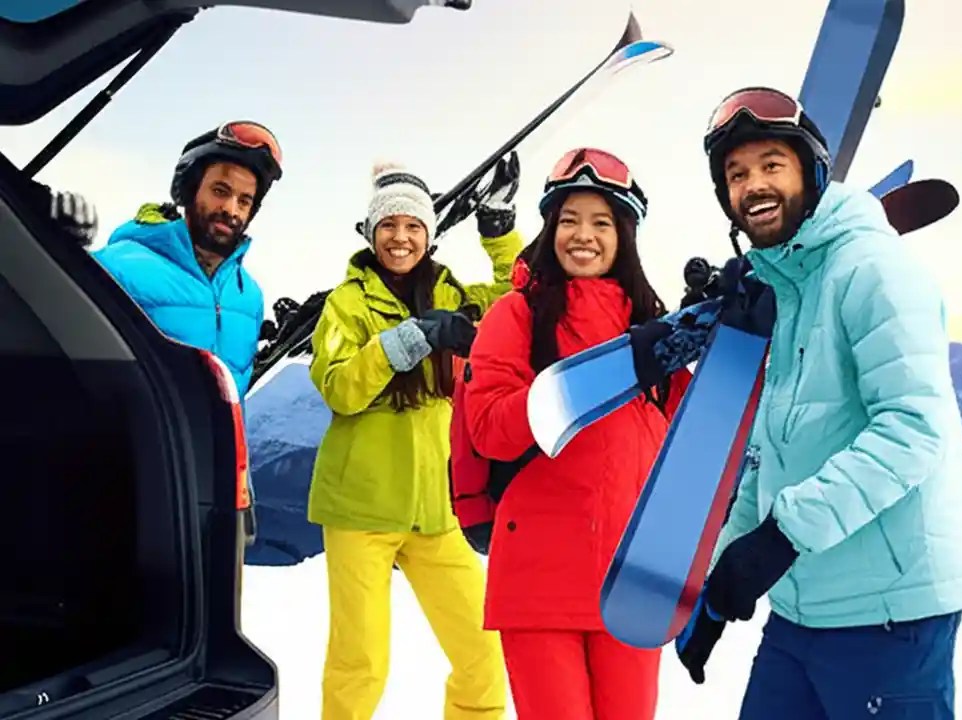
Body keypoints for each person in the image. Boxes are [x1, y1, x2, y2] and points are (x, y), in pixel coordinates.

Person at [675, 86, 962, 719]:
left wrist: (781, 538)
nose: (753, 186)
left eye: (771, 166)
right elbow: (768, 458)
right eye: (736, 175)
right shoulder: (788, 292)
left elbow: (911, 430)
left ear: (812, 172)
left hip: (890, 615)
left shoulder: (872, 269)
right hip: (801, 610)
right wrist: (718, 583)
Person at [462, 147, 690, 720]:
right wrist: (573, 388)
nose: (582, 236)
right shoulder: (516, 315)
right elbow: (488, 428)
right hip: (541, 580)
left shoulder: (652, 329)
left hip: (633, 579)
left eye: (601, 222)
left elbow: (701, 437)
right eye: (568, 221)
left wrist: (728, 328)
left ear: (625, 236)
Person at [306, 157, 521, 720]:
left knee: (483, 648)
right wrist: (409, 338)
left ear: (429, 234)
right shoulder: (345, 304)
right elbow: (340, 389)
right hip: (361, 506)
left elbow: (519, 294)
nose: (400, 238)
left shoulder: (451, 294)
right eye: (389, 226)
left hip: (436, 507)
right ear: (371, 232)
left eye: (413, 227)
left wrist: (498, 229)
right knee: (362, 663)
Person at [93, 121, 283, 400]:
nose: (231, 209)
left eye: (244, 201)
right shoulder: (119, 266)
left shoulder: (249, 297)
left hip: (213, 445)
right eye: (220, 191)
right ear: (189, 191)